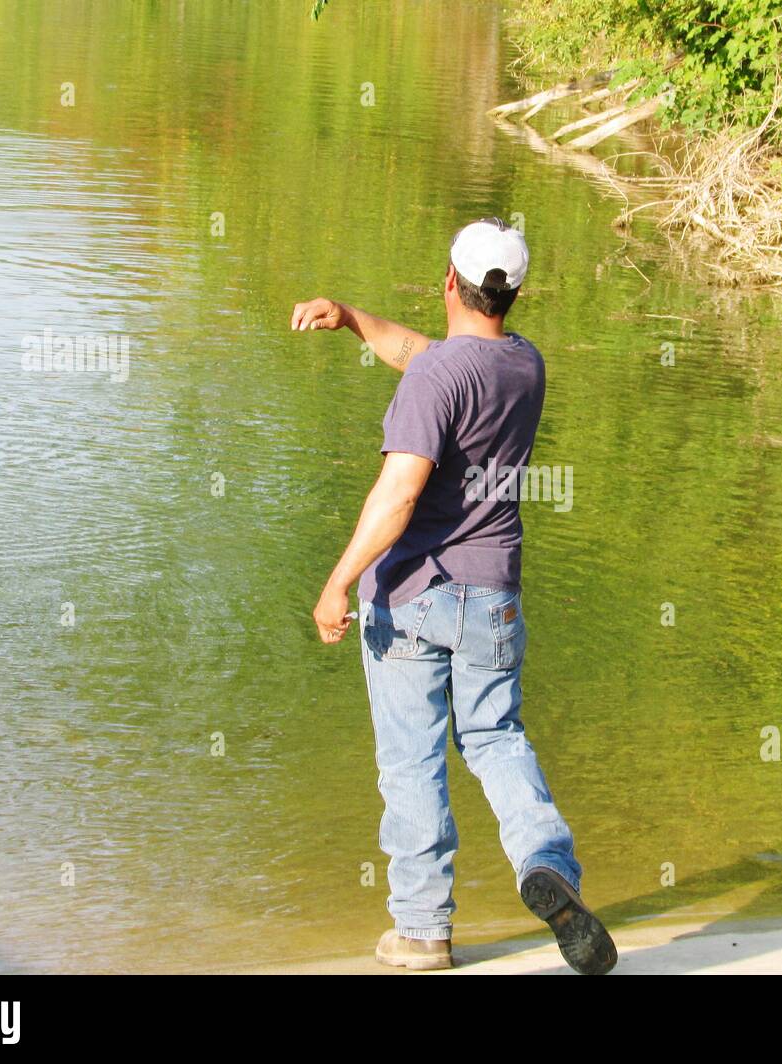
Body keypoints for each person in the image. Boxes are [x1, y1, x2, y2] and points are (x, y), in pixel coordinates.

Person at [291, 218, 616, 975]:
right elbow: (424, 354)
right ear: (514, 296)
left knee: (412, 763)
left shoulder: (435, 379)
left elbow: (400, 494)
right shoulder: (524, 364)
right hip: (493, 595)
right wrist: (351, 318)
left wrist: (338, 582)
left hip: (412, 595)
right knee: (496, 739)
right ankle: (547, 862)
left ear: (447, 281)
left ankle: (421, 929)